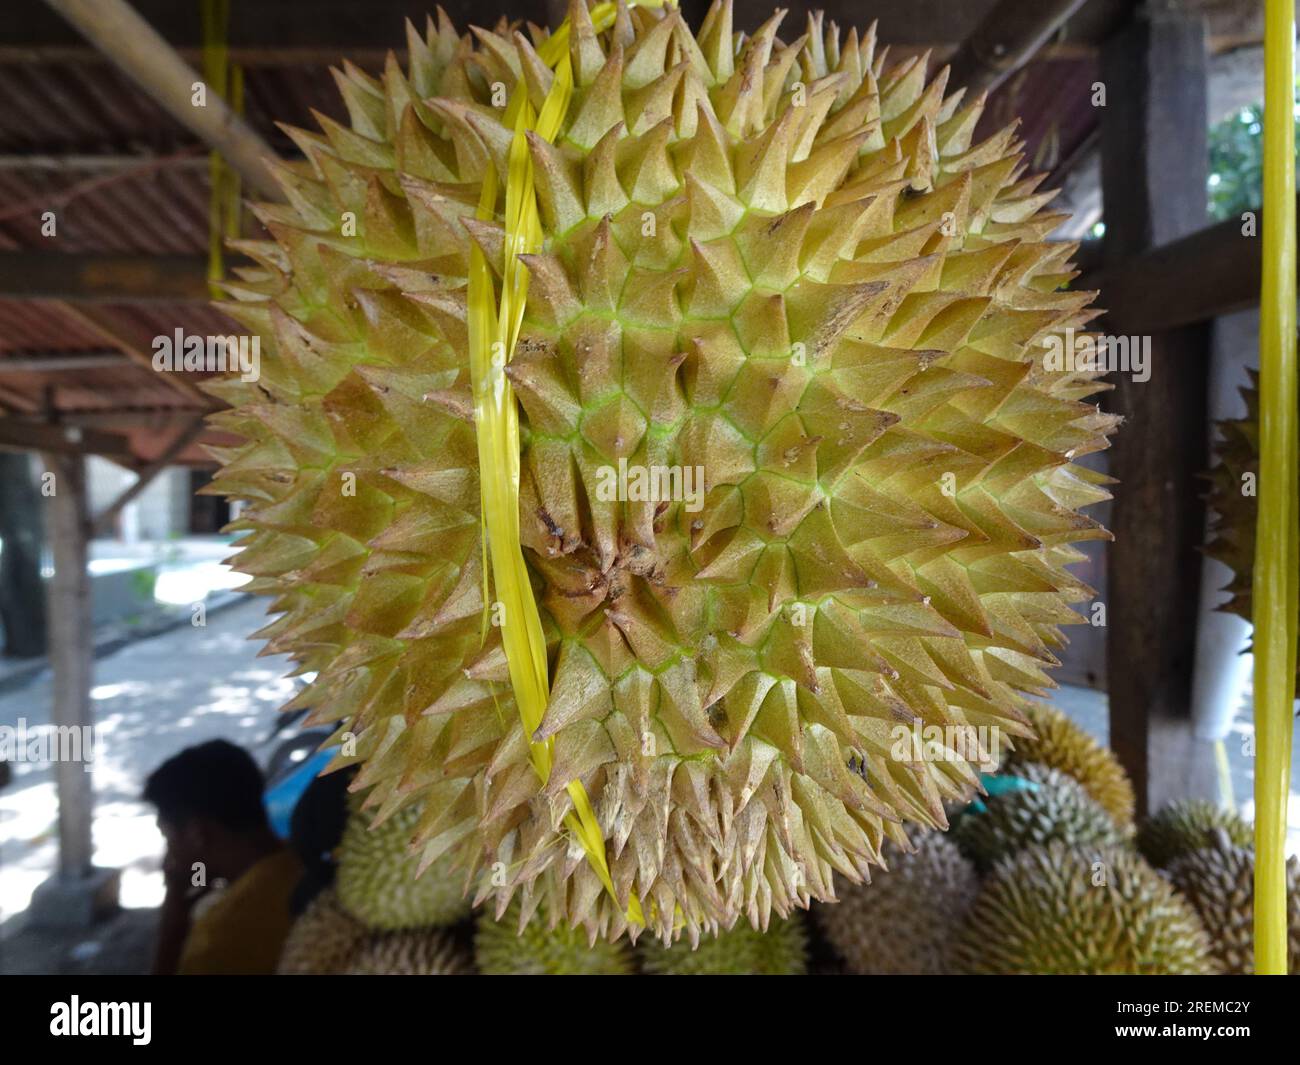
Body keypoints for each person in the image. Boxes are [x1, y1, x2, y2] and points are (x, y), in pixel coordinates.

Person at [144, 739, 303, 975]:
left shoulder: (219, 937)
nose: (168, 857)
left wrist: (173, 923)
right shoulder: (307, 859)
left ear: (197, 834)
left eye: (168, 838)